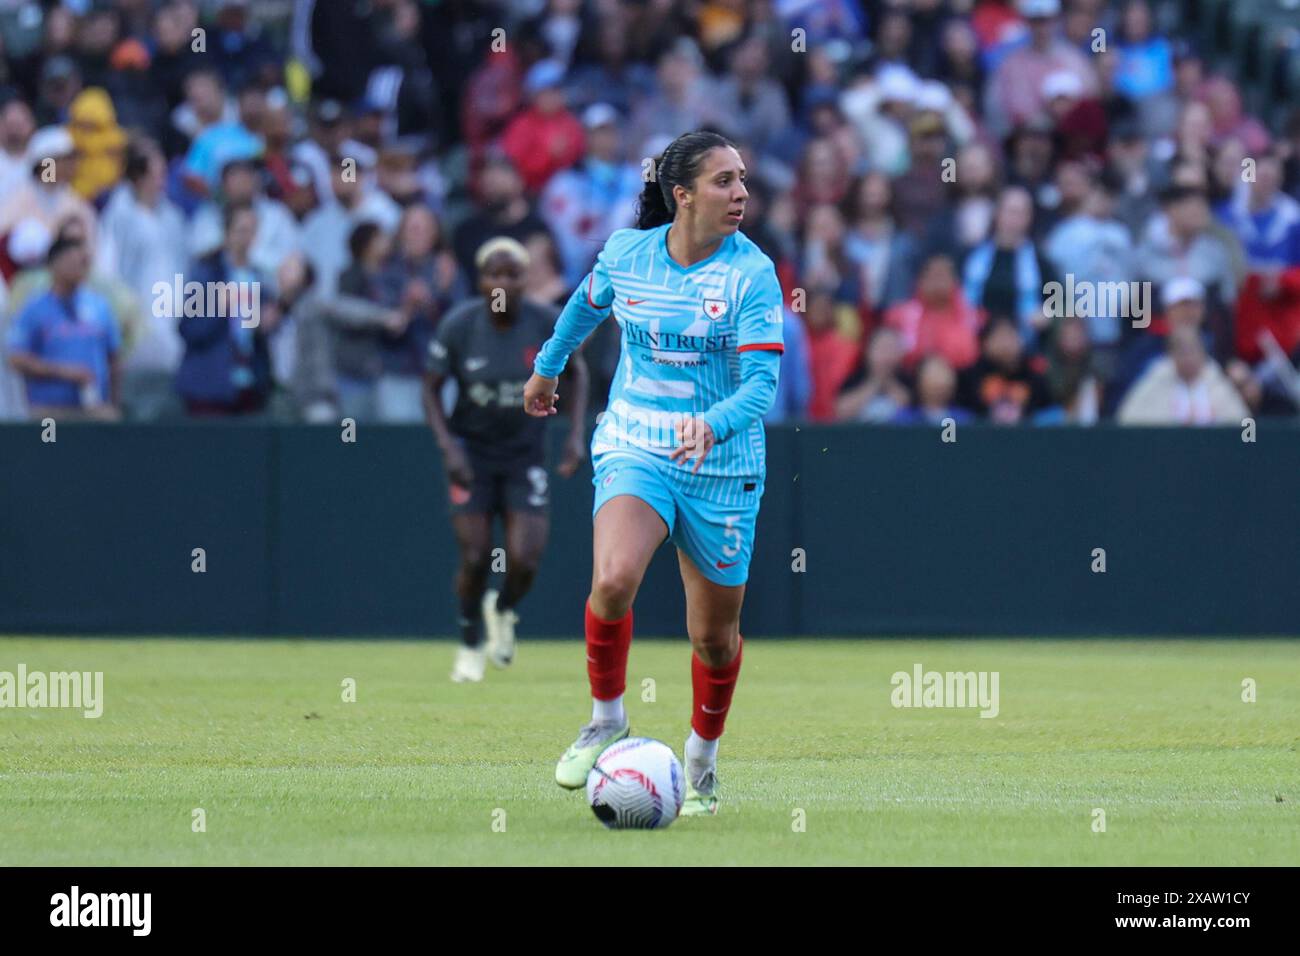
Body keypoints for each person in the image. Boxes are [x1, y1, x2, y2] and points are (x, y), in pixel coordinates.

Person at [523, 130, 783, 816]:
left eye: (743, 180)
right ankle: (607, 718)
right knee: (612, 580)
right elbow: (585, 305)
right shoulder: (627, 253)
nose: (741, 194)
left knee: (714, 637)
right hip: (637, 442)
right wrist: (548, 366)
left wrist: (714, 423)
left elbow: (761, 385)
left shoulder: (750, 274)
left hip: (723, 466)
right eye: (724, 181)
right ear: (683, 194)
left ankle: (701, 760)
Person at [425, 237, 588, 683]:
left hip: (524, 454)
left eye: (511, 273)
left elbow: (576, 372)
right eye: (493, 273)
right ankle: (468, 642)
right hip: (472, 454)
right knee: (476, 555)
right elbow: (430, 388)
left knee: (526, 558)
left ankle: (503, 609)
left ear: (526, 278)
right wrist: (448, 446)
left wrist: (575, 436)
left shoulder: (544, 323)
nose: (502, 282)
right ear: (479, 280)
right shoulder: (459, 326)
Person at [5, 236, 120, 420]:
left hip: (93, 409)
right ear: (54, 264)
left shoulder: (99, 306)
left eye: (83, 261)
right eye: (72, 260)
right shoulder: (35, 308)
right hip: (48, 412)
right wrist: (64, 372)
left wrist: (114, 403)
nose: (79, 267)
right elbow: (16, 358)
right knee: (49, 446)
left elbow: (114, 357)